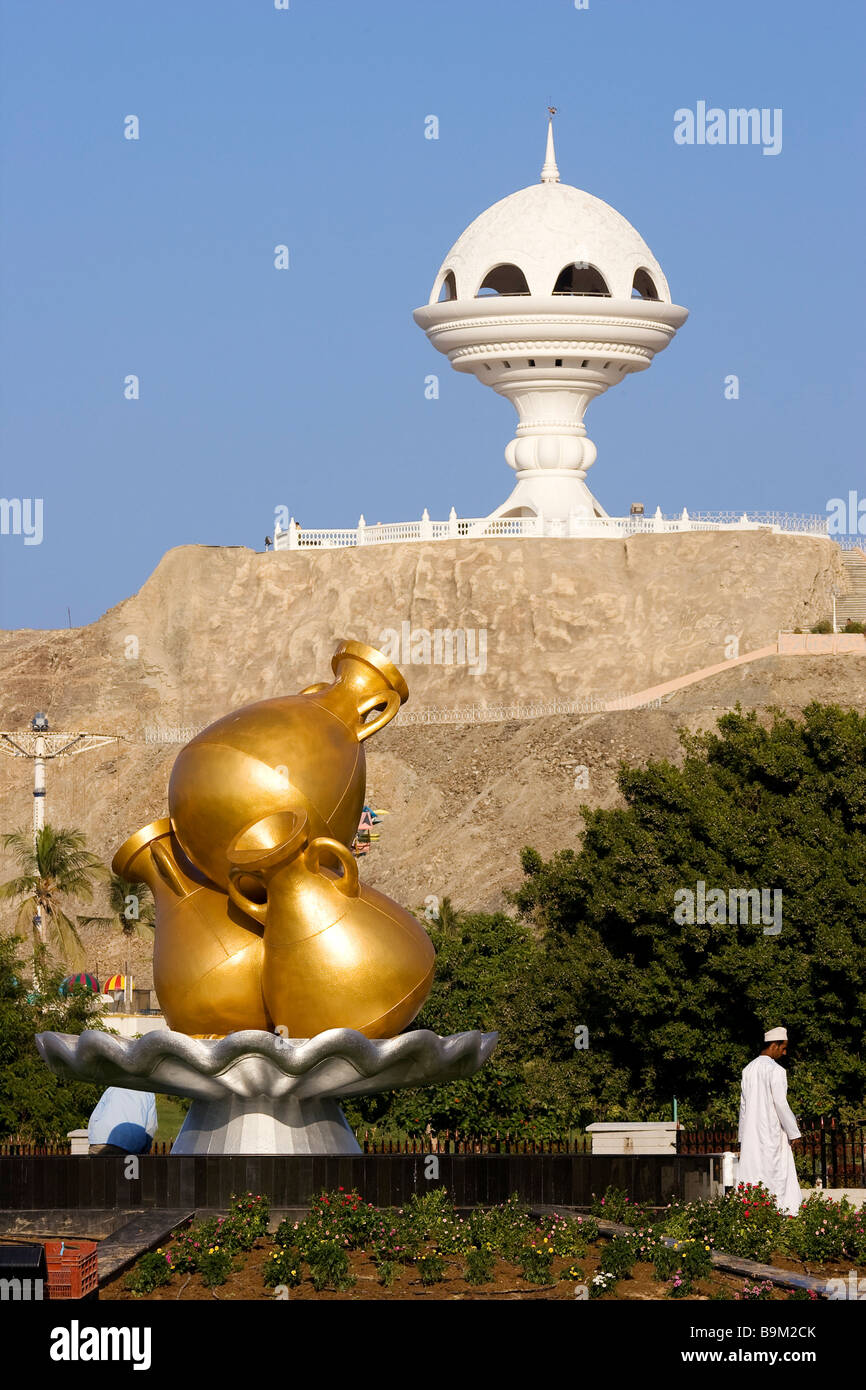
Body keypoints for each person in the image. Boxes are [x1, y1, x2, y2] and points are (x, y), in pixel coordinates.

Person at [737, 1027, 802, 1214]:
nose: (785, 1052)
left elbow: (744, 1107)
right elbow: (780, 1103)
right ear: (774, 1045)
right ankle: (782, 1212)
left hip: (751, 1136)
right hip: (772, 1133)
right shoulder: (776, 1070)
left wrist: (742, 1137)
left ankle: (752, 1210)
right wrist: (794, 1132)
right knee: (777, 1174)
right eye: (783, 1048)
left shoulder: (747, 1070)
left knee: (753, 1172)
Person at [88, 1087, 158, 1155]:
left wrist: (93, 1139)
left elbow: (95, 1116)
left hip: (99, 1140)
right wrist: (145, 1150)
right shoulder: (148, 1093)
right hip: (129, 1145)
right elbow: (150, 1128)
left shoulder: (113, 1088)